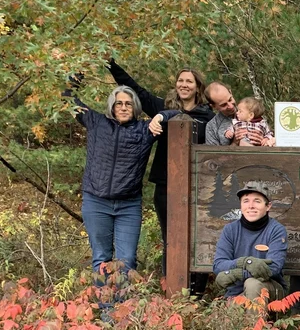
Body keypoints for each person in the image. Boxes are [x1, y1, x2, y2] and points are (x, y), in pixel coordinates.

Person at [107, 60, 213, 284]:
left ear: (198, 87)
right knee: (170, 238)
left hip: (198, 186)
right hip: (166, 185)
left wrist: (165, 116)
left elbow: (201, 128)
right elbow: (135, 89)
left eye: (189, 81)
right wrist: (111, 64)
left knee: (198, 237)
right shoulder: (161, 106)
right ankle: (171, 286)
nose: (184, 85)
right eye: (180, 80)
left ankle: (197, 290)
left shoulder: (207, 115)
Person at [68, 83, 179, 274]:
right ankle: (106, 305)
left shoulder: (145, 130)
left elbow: (177, 114)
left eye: (128, 103)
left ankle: (122, 304)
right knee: (101, 258)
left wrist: (159, 116)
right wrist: (76, 77)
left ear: (135, 106)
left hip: (128, 205)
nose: (124, 107)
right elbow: (69, 100)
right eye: (119, 103)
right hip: (96, 201)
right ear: (112, 106)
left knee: (126, 261)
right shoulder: (96, 122)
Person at [213, 182, 288, 300]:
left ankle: (256, 319)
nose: (251, 206)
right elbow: (219, 265)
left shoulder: (276, 230)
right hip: (235, 293)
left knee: (252, 284)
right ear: (241, 205)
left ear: (268, 206)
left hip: (270, 289)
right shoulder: (230, 230)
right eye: (246, 201)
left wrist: (237, 274)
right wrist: (245, 262)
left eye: (257, 201)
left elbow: (273, 268)